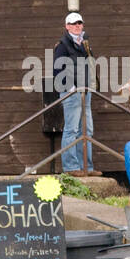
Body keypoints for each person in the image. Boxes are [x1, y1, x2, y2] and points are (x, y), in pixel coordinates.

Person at [53, 11, 100, 175]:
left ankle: (86, 167)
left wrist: (92, 85)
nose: (77, 26)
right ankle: (71, 167)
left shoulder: (85, 44)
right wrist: (70, 88)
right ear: (67, 27)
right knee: (72, 130)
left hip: (86, 91)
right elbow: (58, 70)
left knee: (87, 130)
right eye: (73, 24)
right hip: (72, 93)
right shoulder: (62, 46)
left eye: (79, 23)